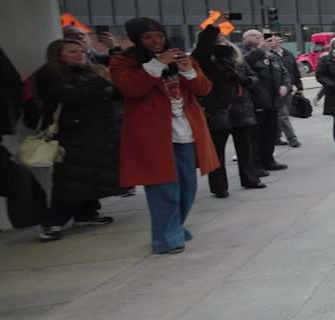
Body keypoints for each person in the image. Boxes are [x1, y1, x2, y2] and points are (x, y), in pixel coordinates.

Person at [109, 19, 219, 255]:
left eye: (158, 35)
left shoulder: (180, 56)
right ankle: (165, 238)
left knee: (187, 188)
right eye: (148, 37)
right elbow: (130, 89)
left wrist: (188, 70)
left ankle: (174, 227)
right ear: (137, 39)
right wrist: (156, 64)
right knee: (163, 189)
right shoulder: (123, 61)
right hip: (153, 135)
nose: (155, 41)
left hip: (186, 132)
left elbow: (205, 89)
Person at [31, 39, 120, 241]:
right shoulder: (51, 74)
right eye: (72, 52)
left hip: (97, 133)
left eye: (81, 51)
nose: (79, 54)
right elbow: (69, 96)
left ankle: (86, 213)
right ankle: (53, 222)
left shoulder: (87, 71)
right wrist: (101, 80)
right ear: (58, 55)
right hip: (73, 134)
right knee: (70, 180)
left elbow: (110, 95)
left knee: (90, 176)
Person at [192, 26, 265, 198]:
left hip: (241, 107)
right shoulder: (204, 60)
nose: (221, 41)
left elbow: (253, 77)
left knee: (245, 148)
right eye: (216, 40)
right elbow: (202, 52)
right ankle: (219, 186)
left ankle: (250, 178)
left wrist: (246, 80)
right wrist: (213, 27)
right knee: (217, 151)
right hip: (218, 108)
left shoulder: (235, 58)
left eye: (222, 39)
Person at [243, 31, 288, 172]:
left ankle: (268, 160)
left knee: (271, 133)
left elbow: (284, 72)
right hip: (256, 102)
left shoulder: (272, 55)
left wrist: (285, 85)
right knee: (256, 136)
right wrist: (259, 50)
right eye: (253, 35)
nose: (257, 37)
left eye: (259, 35)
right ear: (244, 39)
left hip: (273, 101)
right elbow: (242, 65)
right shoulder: (244, 53)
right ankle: (256, 165)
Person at [274, 36, 303, 148]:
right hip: (276, 90)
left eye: (279, 40)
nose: (277, 42)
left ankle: (276, 137)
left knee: (283, 115)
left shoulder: (288, 54)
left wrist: (299, 86)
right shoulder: (268, 55)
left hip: (288, 89)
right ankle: (292, 138)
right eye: (274, 40)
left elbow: (295, 70)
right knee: (283, 115)